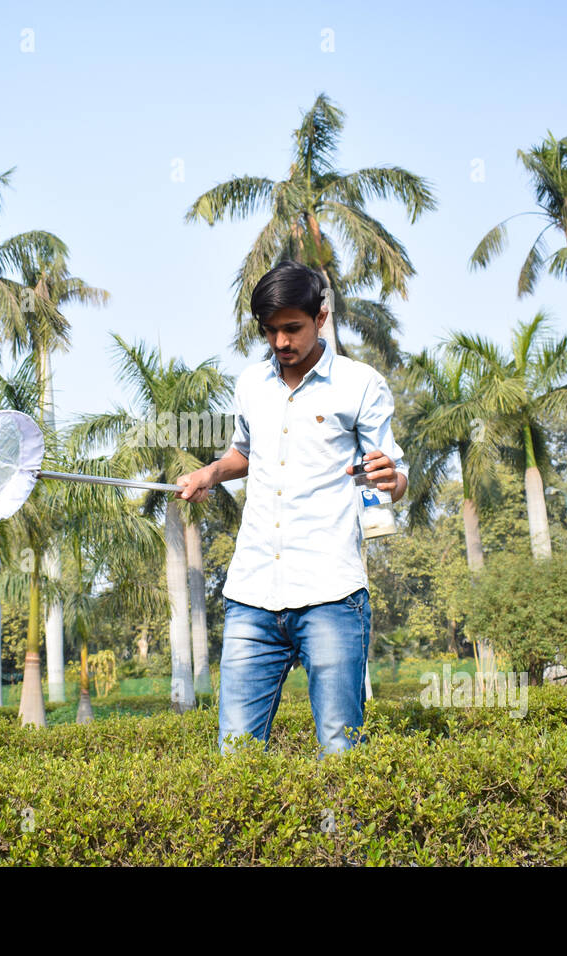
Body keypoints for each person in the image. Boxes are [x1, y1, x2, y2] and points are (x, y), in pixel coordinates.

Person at [176, 260, 408, 757]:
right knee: (236, 754)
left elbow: (393, 476)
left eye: (291, 328)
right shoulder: (250, 385)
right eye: (270, 331)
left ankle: (341, 836)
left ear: (320, 317)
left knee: (340, 750)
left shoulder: (360, 384)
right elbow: (244, 452)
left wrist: (392, 479)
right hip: (251, 594)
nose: (281, 342)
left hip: (331, 592)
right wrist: (211, 473)